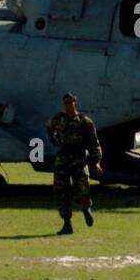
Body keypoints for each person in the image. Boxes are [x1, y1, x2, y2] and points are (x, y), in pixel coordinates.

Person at [47, 93, 103, 235]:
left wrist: (96, 162)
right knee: (61, 190)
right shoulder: (58, 119)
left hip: (78, 158)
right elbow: (49, 129)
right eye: (66, 103)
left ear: (75, 103)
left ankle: (86, 208)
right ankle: (67, 224)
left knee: (82, 187)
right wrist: (55, 141)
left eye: (70, 102)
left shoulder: (85, 121)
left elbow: (94, 143)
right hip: (63, 158)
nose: (68, 105)